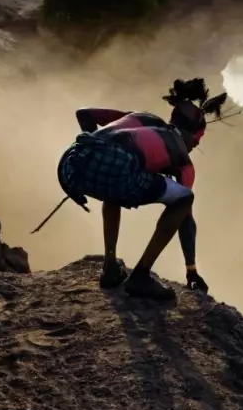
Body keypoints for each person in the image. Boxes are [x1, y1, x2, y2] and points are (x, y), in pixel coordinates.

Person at [56, 78, 226, 300]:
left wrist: (93, 155)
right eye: (198, 138)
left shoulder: (142, 117)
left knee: (113, 189)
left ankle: (109, 267)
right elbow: (185, 217)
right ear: (191, 133)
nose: (197, 144)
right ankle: (141, 276)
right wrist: (191, 269)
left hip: (71, 165)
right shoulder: (182, 160)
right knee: (184, 199)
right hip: (112, 169)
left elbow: (84, 114)